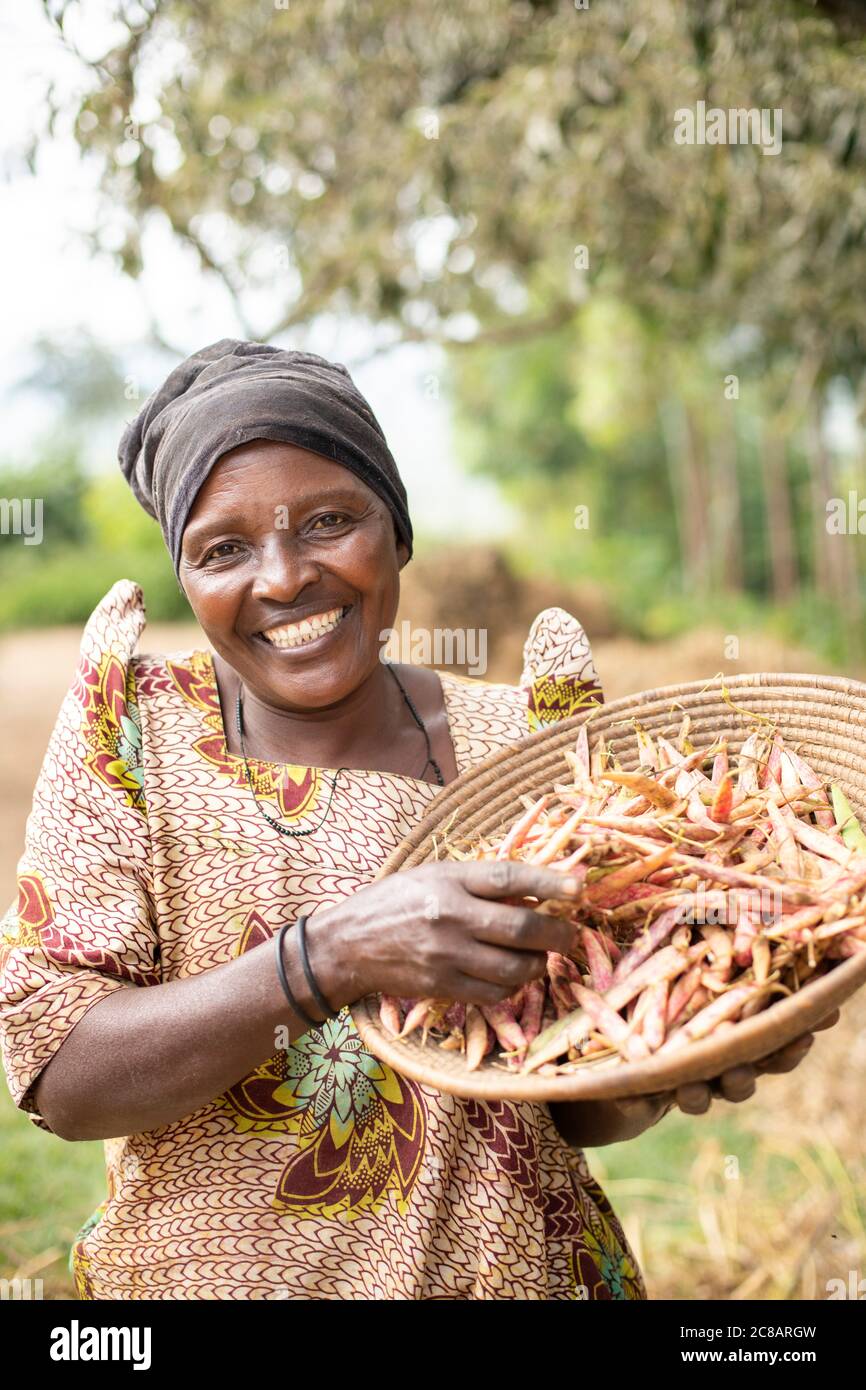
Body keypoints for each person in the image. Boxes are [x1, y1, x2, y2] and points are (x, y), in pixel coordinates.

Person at [0, 339, 828, 1301]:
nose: (280, 579)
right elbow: (62, 1076)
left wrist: (664, 1065)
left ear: (397, 533)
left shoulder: (530, 735)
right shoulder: (134, 734)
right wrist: (329, 956)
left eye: (328, 522)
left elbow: (557, 1095)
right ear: (186, 577)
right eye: (224, 547)